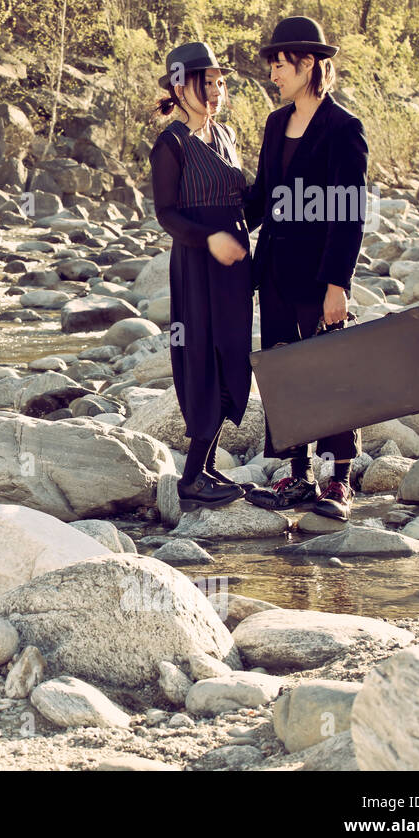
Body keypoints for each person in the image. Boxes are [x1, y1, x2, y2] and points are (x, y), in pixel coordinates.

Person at [243, 16, 369, 521]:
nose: (274, 72)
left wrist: (337, 285)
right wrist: (222, 233)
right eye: (272, 63)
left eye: (281, 63)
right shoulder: (276, 124)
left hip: (319, 274)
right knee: (283, 367)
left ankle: (338, 479)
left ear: (309, 63)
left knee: (331, 371)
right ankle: (297, 472)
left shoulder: (344, 129)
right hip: (274, 267)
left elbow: (349, 213)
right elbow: (263, 197)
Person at [148, 42, 256, 512]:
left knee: (233, 356)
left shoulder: (227, 135)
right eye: (204, 81)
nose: (214, 90)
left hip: (234, 265)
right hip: (196, 265)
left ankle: (205, 469)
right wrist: (208, 239)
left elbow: (243, 201)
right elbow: (166, 214)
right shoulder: (169, 144)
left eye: (218, 81)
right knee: (201, 358)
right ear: (179, 85)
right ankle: (192, 478)